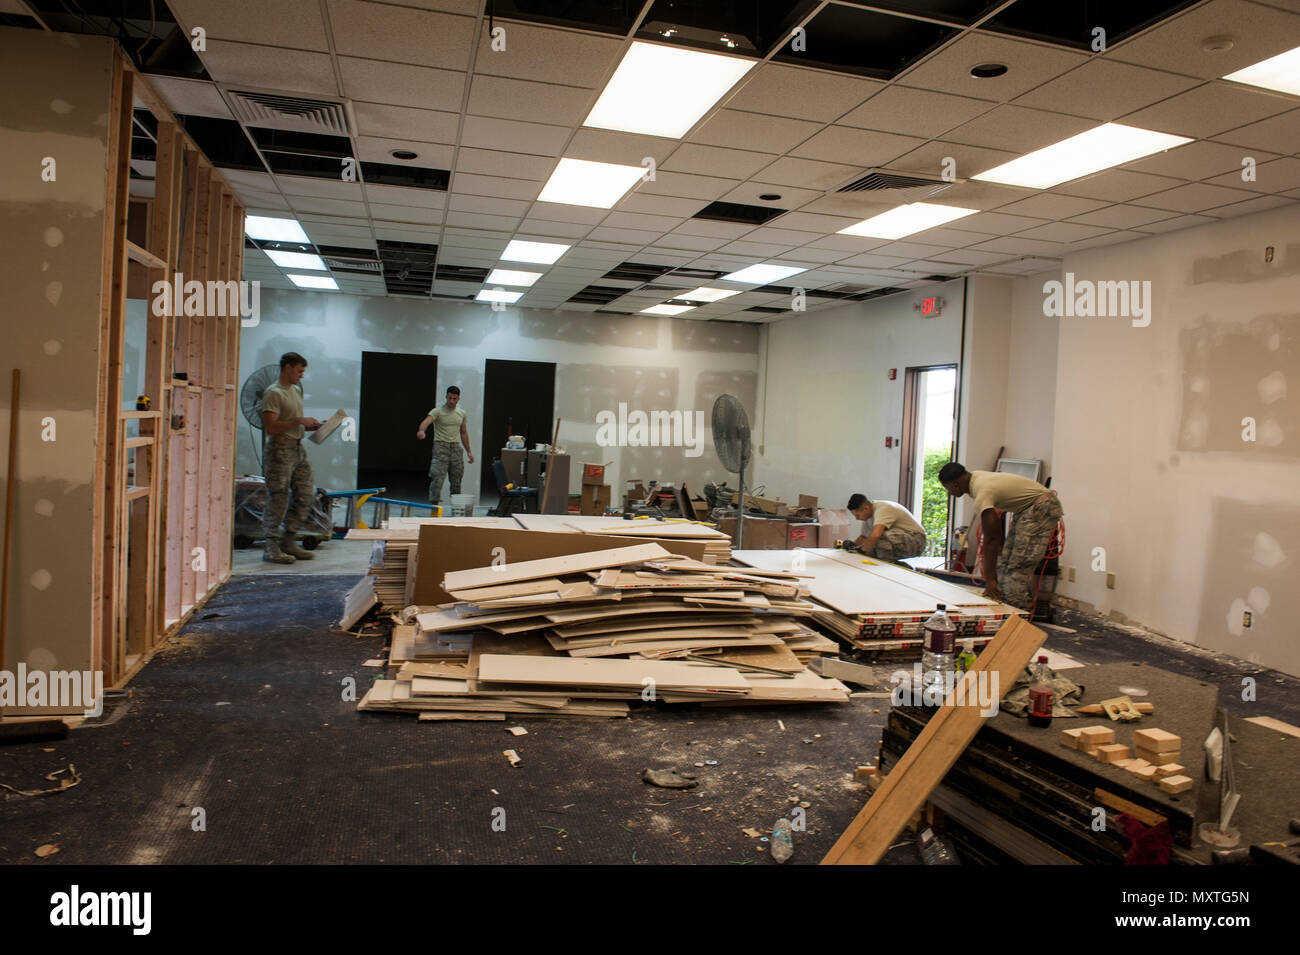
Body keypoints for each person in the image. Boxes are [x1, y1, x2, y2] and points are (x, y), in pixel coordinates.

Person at [938, 462, 1063, 608]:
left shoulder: (982, 491)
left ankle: (1015, 614)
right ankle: (1003, 601)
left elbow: (990, 539)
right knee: (1006, 562)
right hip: (1026, 509)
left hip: (1041, 507)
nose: (949, 493)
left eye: (947, 488)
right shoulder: (975, 476)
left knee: (1018, 566)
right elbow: (995, 535)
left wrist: (990, 581)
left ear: (955, 484)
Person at [260, 352, 321, 564]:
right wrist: (297, 421)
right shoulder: (273, 393)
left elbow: (293, 421)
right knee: (278, 497)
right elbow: (271, 427)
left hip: (297, 447)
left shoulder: (295, 391)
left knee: (306, 493)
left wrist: (309, 425)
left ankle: (289, 540)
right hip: (279, 448)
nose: (301, 376)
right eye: (299, 371)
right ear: (287, 368)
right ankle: (270, 546)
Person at [417, 385, 474, 506]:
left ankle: (456, 508)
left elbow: (463, 433)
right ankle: (434, 507)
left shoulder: (461, 413)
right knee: (437, 479)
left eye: (454, 398)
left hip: (456, 448)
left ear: (458, 399)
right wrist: (422, 431)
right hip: (440, 448)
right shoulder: (437, 411)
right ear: (446, 397)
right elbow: (426, 422)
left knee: (456, 480)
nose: (451, 401)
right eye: (449, 398)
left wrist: (469, 451)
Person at [846, 494, 927, 562]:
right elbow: (863, 537)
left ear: (866, 508)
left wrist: (862, 551)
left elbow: (876, 535)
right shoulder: (868, 516)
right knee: (870, 546)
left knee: (877, 539)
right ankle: (889, 563)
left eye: (857, 515)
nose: (857, 518)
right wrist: (852, 547)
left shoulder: (883, 509)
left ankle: (887, 566)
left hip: (917, 541)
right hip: (901, 539)